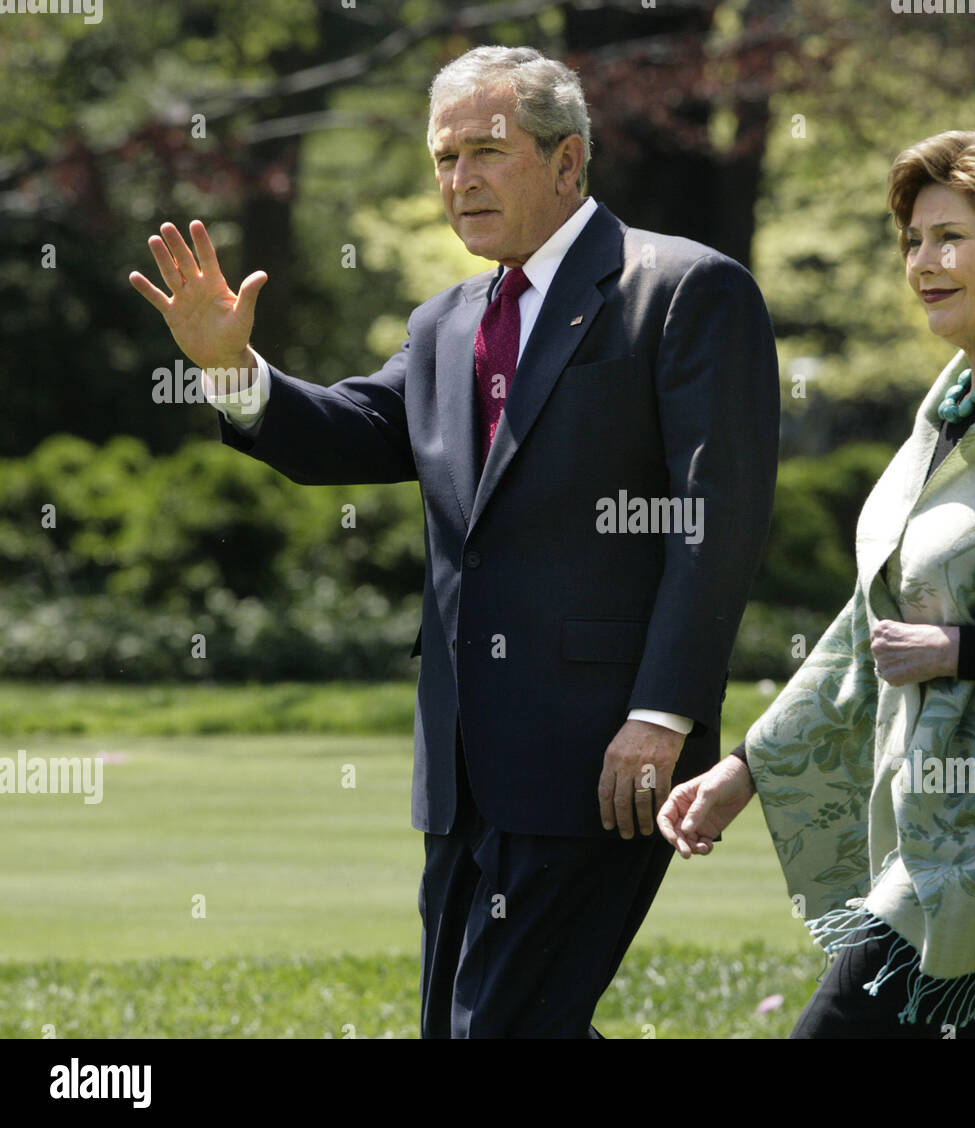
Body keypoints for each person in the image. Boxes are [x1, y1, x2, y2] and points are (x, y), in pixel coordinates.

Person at [129, 45, 780, 1038]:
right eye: (444, 158)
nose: (460, 179)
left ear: (568, 162)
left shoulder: (685, 290)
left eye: (488, 150)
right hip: (465, 764)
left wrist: (664, 712)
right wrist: (235, 370)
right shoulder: (444, 322)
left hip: (604, 754)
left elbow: (714, 521)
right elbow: (349, 437)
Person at [658, 129, 975, 1038]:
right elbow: (871, 628)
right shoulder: (948, 413)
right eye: (913, 241)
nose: (922, 264)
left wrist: (960, 650)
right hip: (931, 802)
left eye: (950, 238)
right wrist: (747, 766)